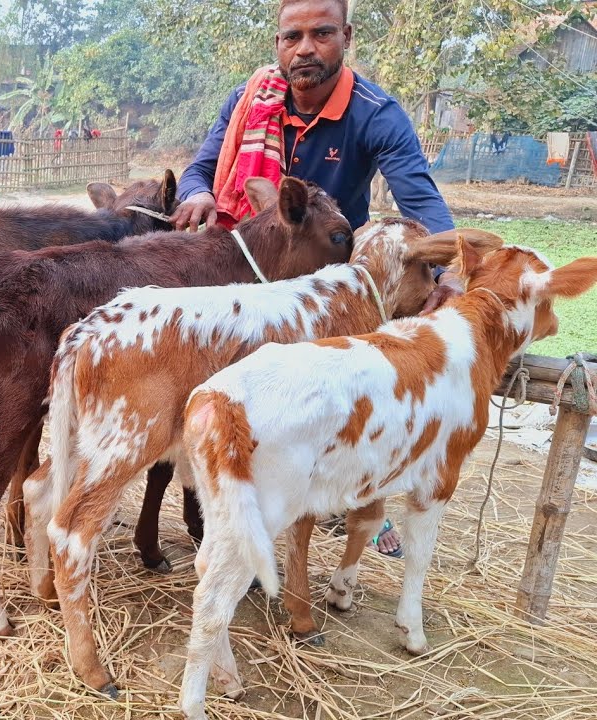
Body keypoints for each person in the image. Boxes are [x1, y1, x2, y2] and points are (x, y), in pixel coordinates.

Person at [169, 0, 463, 558]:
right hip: (243, 266)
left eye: (321, 33)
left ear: (346, 36)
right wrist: (197, 194)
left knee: (324, 398)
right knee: (221, 389)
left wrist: (447, 271)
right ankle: (212, 510)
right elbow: (200, 169)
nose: (304, 47)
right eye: (292, 36)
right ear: (278, 43)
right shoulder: (247, 99)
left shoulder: (377, 114)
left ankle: (354, 501)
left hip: (326, 278)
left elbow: (420, 201)